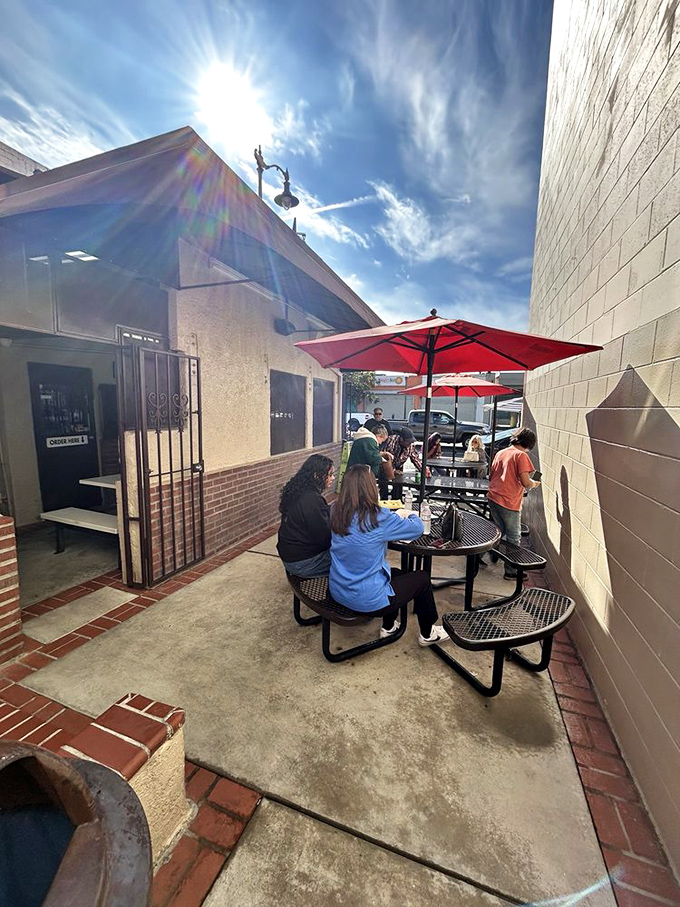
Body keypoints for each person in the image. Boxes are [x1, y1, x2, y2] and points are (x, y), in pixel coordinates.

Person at [329, 465, 448, 646]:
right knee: (422, 579)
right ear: (370, 488)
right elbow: (417, 529)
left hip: (338, 589)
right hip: (366, 599)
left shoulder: (335, 511)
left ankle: (389, 626)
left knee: (397, 573)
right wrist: (410, 514)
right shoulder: (377, 517)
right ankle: (428, 633)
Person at [487, 427, 540, 580]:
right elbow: (526, 482)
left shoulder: (501, 453)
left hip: (493, 497)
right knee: (514, 536)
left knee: (499, 531)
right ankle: (511, 571)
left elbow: (492, 475)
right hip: (508, 501)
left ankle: (480, 553)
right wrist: (535, 483)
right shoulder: (521, 456)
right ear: (530, 443)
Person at [277, 454, 334, 577]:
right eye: (329, 475)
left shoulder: (297, 491)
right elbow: (324, 539)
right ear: (316, 476)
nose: (332, 478)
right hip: (304, 563)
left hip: (290, 556)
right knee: (352, 558)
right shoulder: (312, 500)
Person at [381, 427, 430, 496]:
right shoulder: (391, 441)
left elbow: (415, 458)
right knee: (384, 487)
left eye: (411, 441)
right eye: (408, 442)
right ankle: (384, 500)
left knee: (398, 487)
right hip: (385, 466)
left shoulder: (410, 446)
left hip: (399, 466)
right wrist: (393, 470)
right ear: (401, 440)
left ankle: (397, 500)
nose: (410, 444)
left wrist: (423, 469)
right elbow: (385, 459)